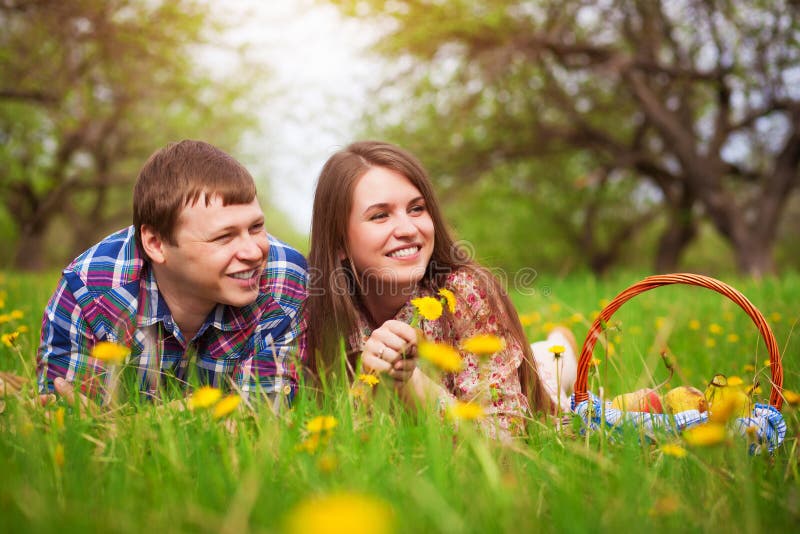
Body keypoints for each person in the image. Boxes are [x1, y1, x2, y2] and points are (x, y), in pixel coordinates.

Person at [305, 141, 577, 440]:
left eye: (417, 208)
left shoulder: (465, 293)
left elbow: (506, 439)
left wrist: (408, 380)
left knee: (549, 375)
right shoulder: (323, 314)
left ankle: (560, 352)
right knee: (542, 359)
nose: (408, 228)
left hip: (523, 389)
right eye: (380, 215)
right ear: (339, 242)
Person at [36, 140, 307, 407]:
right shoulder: (88, 290)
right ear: (155, 244)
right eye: (224, 237)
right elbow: (71, 418)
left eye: (256, 227)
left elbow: (262, 411)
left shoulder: (284, 278)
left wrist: (135, 425)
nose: (253, 252)